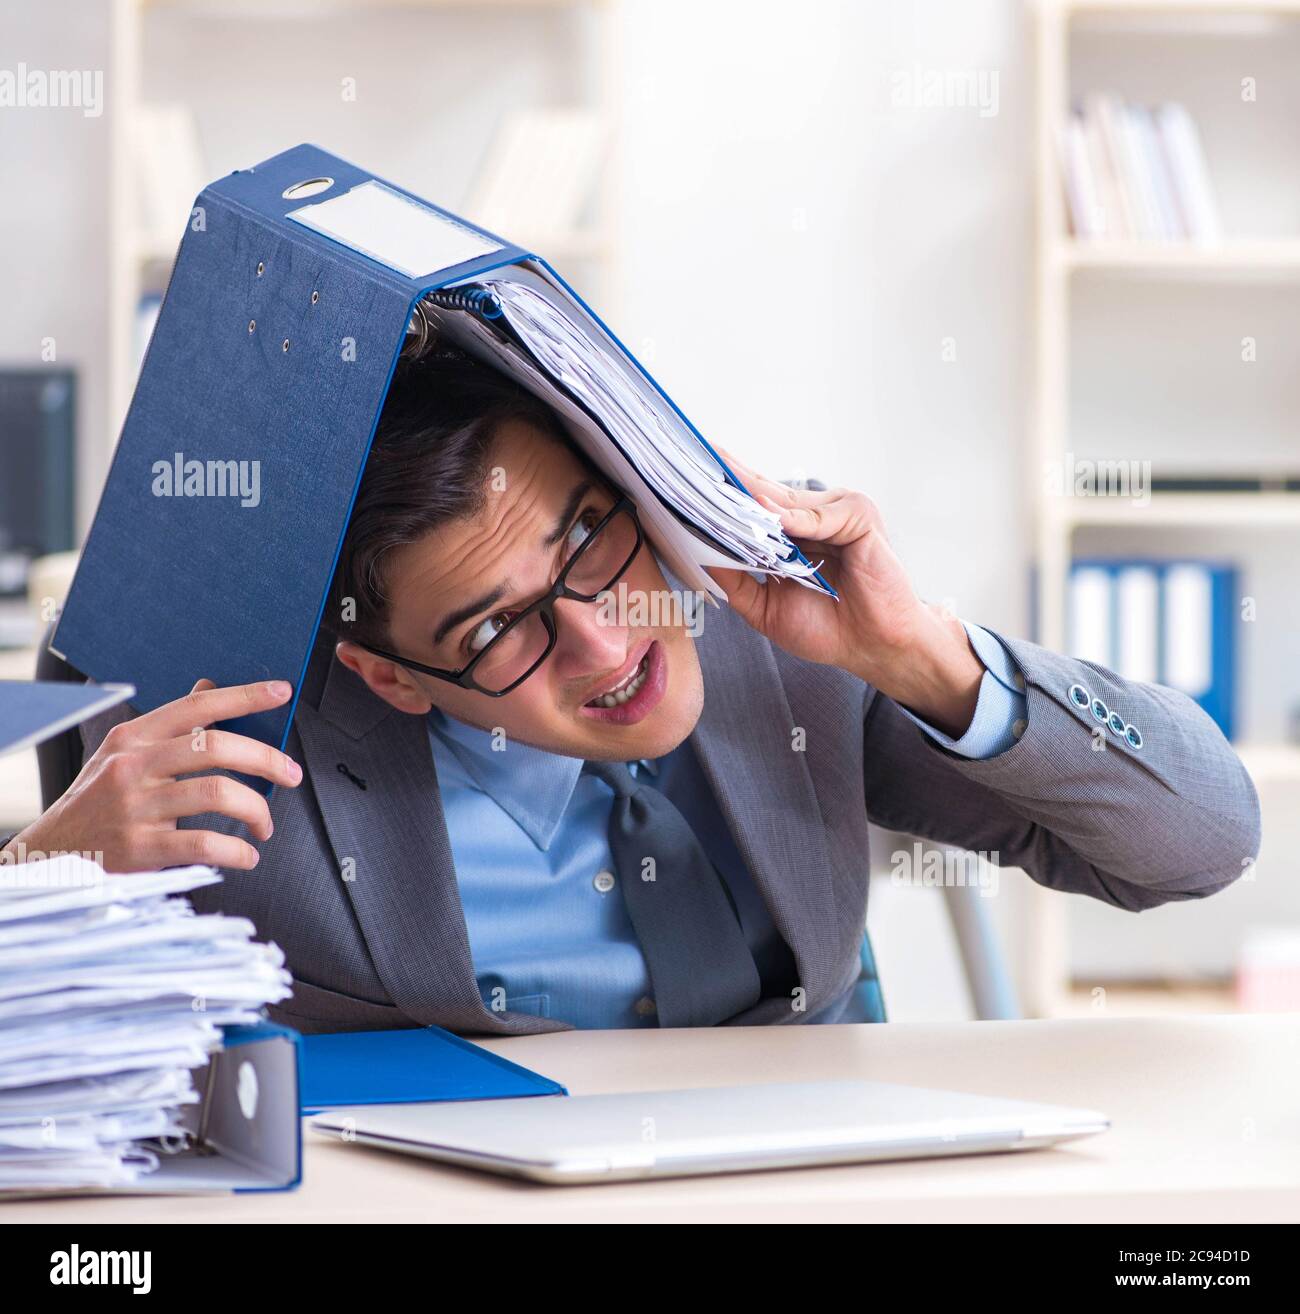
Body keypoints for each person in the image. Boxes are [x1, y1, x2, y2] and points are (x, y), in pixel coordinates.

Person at [4, 349, 1260, 1034]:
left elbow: (1200, 844)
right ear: (390, 672)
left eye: (589, 540)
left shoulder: (793, 643)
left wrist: (926, 658)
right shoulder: (232, 757)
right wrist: (44, 872)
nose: (605, 647)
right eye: (497, 629)